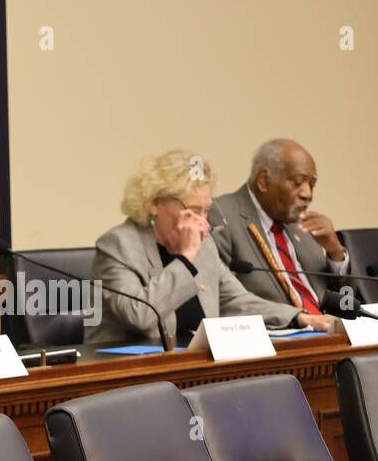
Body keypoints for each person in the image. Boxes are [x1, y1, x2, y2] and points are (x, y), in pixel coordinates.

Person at [86, 149, 316, 346]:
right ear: (155, 204)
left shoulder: (203, 246)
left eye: (206, 211)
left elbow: (237, 301)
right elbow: (141, 315)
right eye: (194, 211)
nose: (203, 223)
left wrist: (299, 317)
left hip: (194, 370)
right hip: (127, 376)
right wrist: (185, 259)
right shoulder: (118, 246)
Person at [211, 139, 350, 333]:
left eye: (312, 185)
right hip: (276, 342)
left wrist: (335, 253)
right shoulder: (221, 215)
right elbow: (222, 298)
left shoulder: (301, 225)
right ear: (263, 181)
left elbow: (346, 303)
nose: (307, 194)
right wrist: (301, 319)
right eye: (297, 182)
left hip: (329, 338)